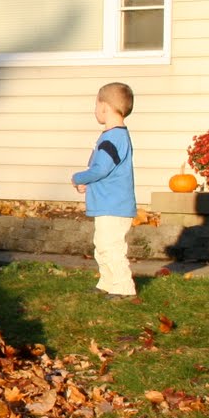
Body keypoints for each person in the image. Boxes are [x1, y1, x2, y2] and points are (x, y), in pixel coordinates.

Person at [71, 82, 138, 301]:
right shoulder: (112, 136)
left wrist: (79, 177)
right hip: (107, 204)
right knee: (102, 246)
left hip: (114, 205)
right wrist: (89, 183)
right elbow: (103, 171)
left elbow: (101, 169)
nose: (95, 110)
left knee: (112, 247)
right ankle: (107, 282)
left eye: (96, 105)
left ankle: (124, 287)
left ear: (104, 107)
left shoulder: (113, 138)